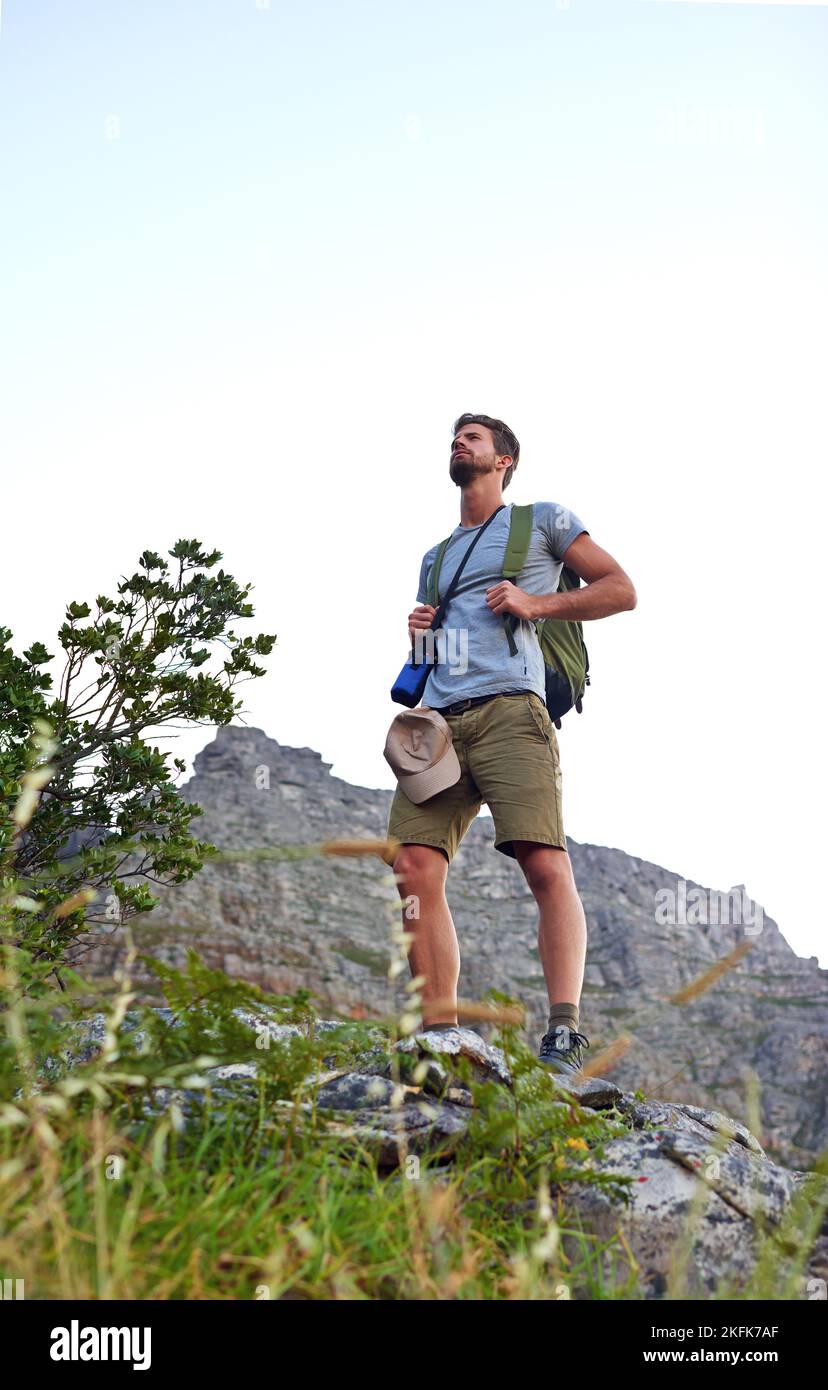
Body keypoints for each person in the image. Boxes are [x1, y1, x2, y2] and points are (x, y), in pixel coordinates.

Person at [386, 413, 637, 1076]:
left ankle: (563, 1029)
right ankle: (439, 1034)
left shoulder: (543, 521)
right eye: (455, 437)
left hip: (510, 712)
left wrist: (537, 604)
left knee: (543, 864)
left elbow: (621, 589)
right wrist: (421, 634)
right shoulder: (434, 558)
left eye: (472, 438)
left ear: (504, 461)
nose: (458, 443)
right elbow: (439, 650)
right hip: (435, 723)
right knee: (413, 867)